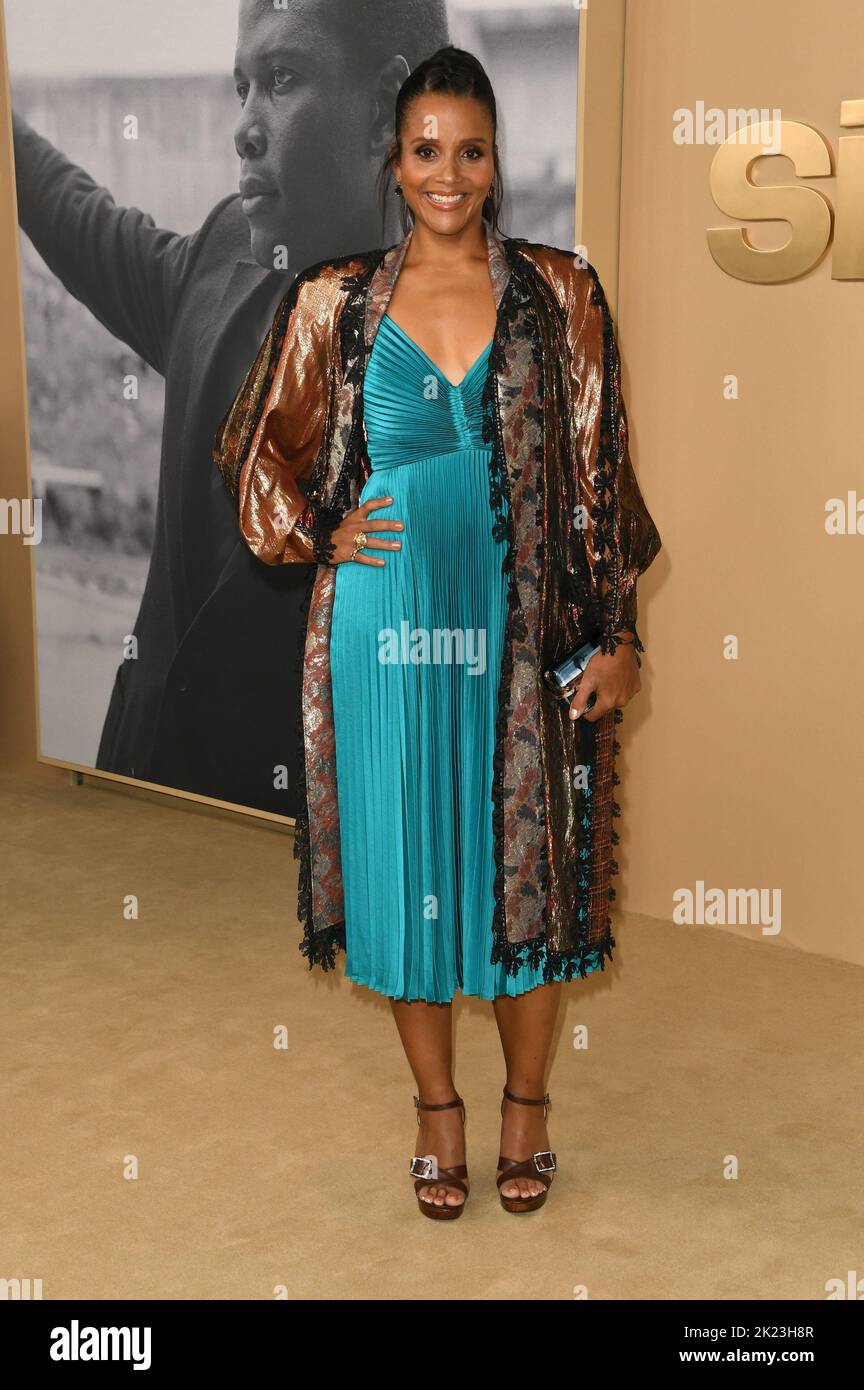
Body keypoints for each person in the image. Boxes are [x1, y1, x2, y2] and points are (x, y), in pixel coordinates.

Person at [213, 47, 662, 1220]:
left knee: (532, 879)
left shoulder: (563, 293)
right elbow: (253, 451)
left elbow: (602, 477)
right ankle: (436, 1115)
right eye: (426, 151)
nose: (447, 173)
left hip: (524, 627)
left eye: (471, 150)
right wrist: (319, 527)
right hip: (386, 625)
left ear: (496, 160)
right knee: (409, 863)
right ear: (395, 162)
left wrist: (616, 633)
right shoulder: (334, 298)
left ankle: (527, 1106)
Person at [12, 0, 447, 812]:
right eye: (240, 88)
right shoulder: (222, 261)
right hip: (139, 812)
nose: (244, 127)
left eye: (281, 80)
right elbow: (85, 224)